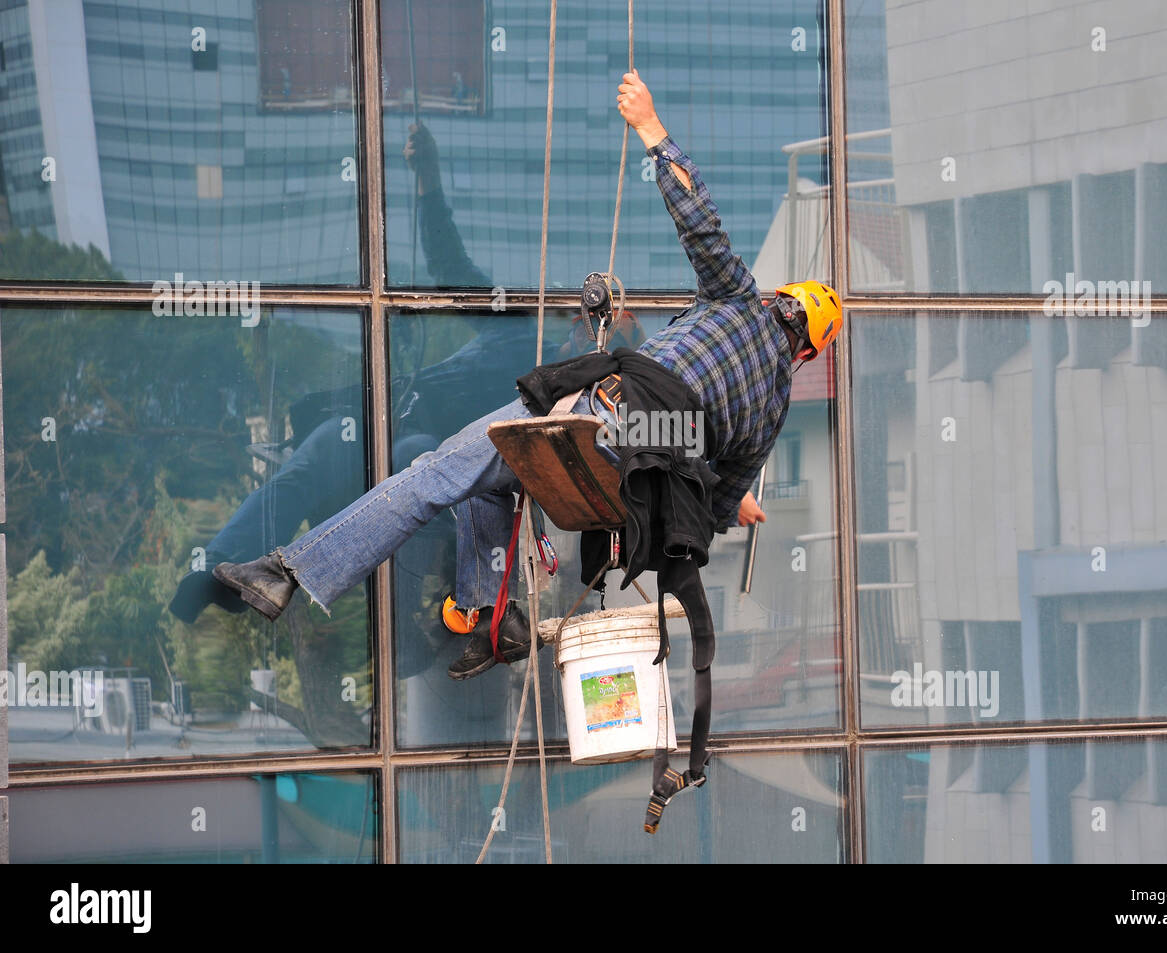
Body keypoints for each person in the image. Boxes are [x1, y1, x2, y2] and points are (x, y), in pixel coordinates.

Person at [212, 70, 844, 681]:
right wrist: (740, 505)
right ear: (806, 353)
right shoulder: (772, 410)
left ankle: (289, 572)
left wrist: (651, 127)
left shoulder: (738, 300)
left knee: (432, 475)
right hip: (627, 490)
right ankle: (492, 616)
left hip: (597, 422)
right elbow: (722, 497)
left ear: (777, 302)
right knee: (494, 480)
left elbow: (698, 222)